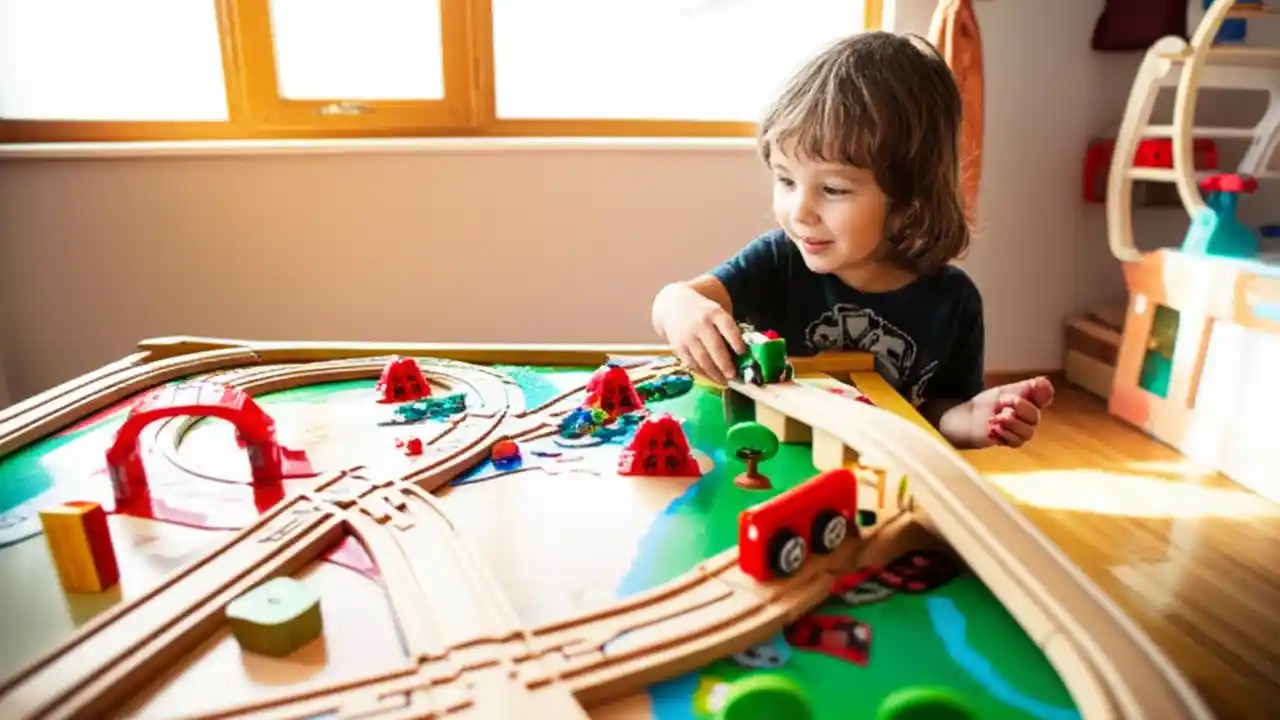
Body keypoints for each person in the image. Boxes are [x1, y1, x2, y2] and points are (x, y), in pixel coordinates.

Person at [650, 31, 1053, 449]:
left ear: (910, 199)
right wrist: (680, 307)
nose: (799, 211)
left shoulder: (953, 302)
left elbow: (934, 414)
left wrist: (970, 420)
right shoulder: (776, 260)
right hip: (770, 470)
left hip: (876, 484)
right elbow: (674, 301)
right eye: (786, 180)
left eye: (834, 189)